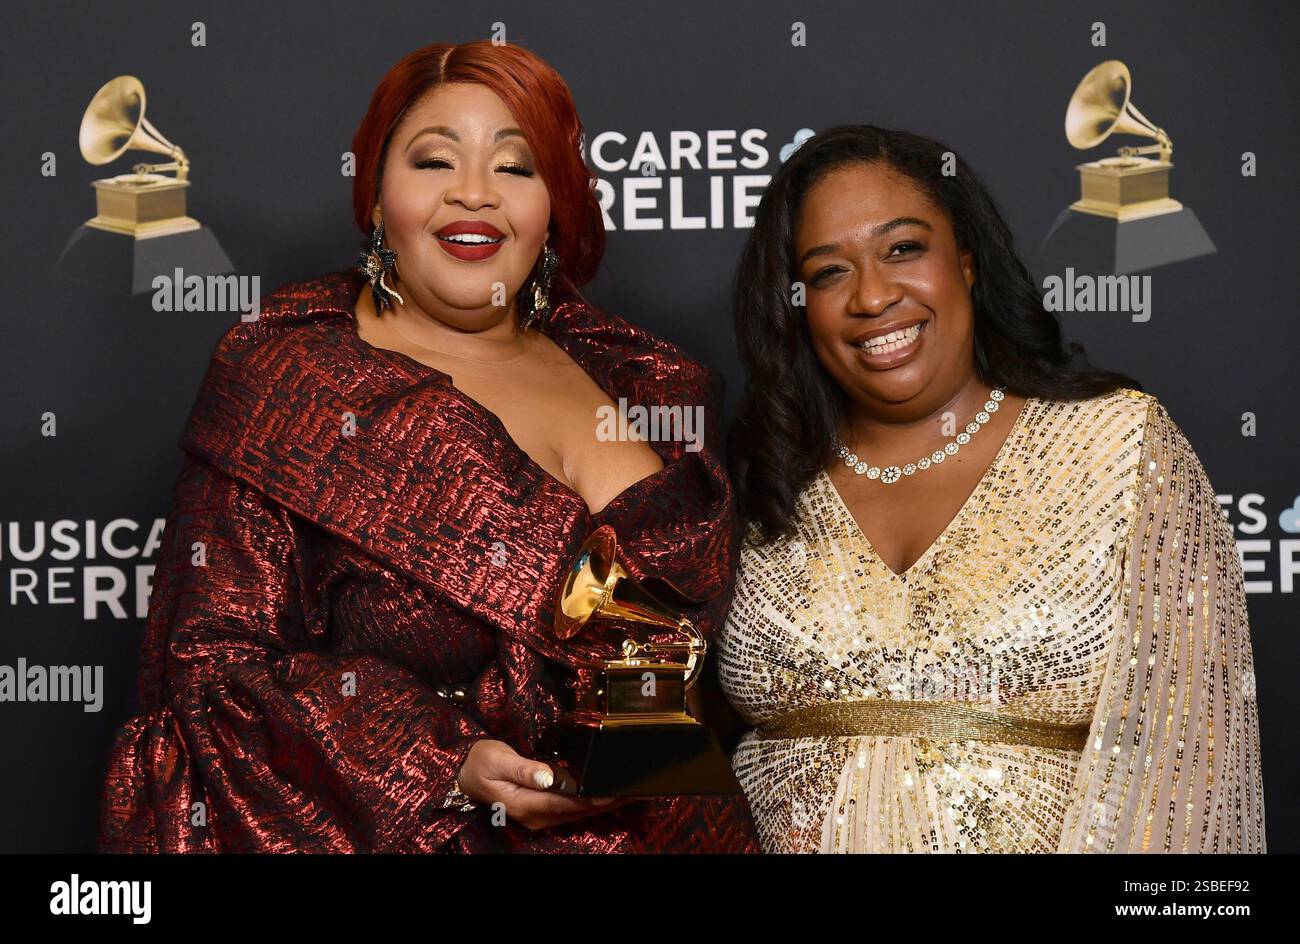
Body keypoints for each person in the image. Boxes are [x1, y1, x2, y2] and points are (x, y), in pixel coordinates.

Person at [97, 40, 760, 853]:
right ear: (375, 194)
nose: (474, 194)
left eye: (516, 168)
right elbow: (208, 680)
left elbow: (684, 666)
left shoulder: (650, 380)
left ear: (554, 204)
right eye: (434, 160)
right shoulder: (292, 383)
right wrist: (440, 762)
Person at [717, 124, 1265, 853]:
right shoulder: (759, 482)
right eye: (828, 273)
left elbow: (1194, 762)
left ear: (967, 261)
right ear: (795, 303)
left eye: (903, 249)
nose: (873, 296)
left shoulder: (1117, 447)